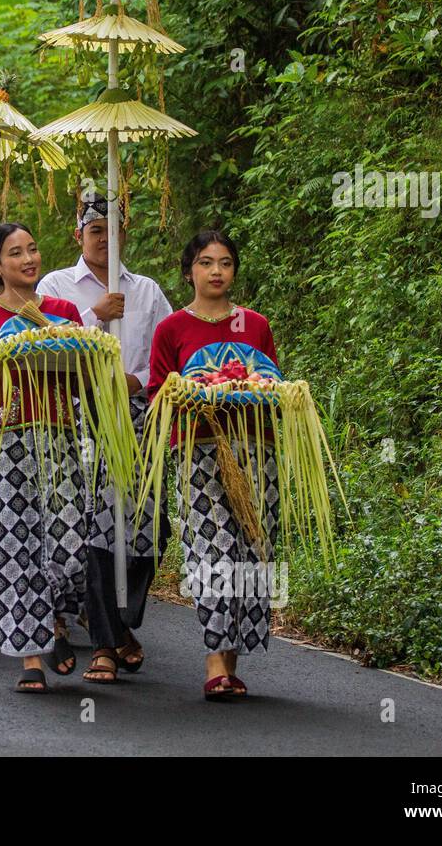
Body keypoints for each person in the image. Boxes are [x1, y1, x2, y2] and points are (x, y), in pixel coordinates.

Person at [37, 196, 173, 684]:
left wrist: (137, 380)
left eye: (112, 227)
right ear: (78, 235)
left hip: (136, 415)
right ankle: (105, 640)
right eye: (94, 228)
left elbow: (168, 355)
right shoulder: (55, 286)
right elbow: (44, 347)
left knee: (147, 524)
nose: (103, 236)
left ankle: (117, 618)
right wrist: (93, 316)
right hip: (76, 414)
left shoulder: (148, 291)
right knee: (93, 522)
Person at [148, 230, 280, 701]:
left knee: (250, 550)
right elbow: (158, 394)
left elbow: (273, 384)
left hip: (254, 450)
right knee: (211, 548)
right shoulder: (172, 330)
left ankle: (233, 662)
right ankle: (213, 659)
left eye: (225, 262)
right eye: (206, 262)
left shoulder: (257, 325)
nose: (217, 271)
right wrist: (190, 394)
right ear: (189, 271)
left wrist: (255, 390)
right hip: (198, 452)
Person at [0, 222, 88, 693]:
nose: (29, 259)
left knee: (69, 542)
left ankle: (51, 617)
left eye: (32, 249)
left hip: (58, 441)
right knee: (12, 548)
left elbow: (83, 378)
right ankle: (30, 656)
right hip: (4, 444)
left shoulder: (64, 312)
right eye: (16, 253)